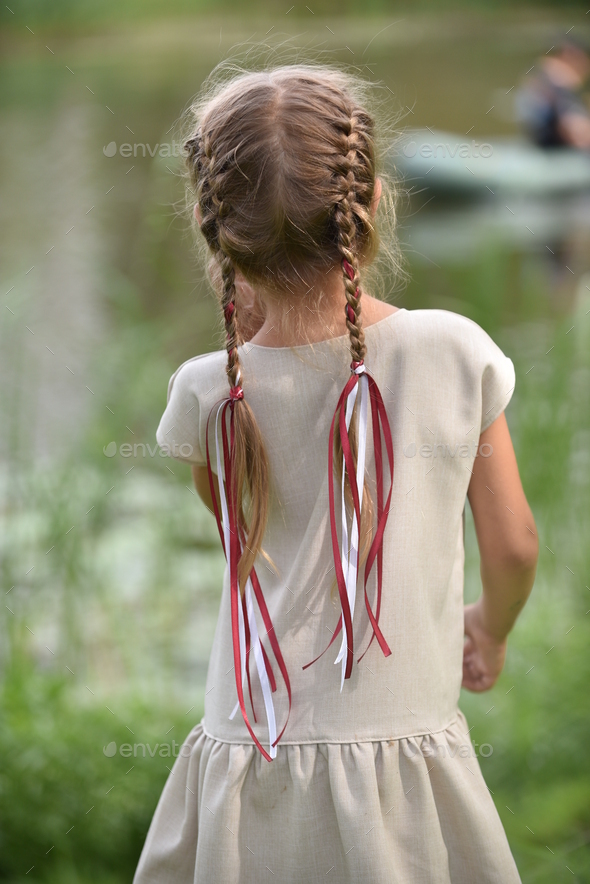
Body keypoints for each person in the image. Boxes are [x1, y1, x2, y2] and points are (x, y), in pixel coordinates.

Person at [133, 64, 538, 884]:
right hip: (401, 760)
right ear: (374, 200)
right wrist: (489, 627)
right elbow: (516, 548)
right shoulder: (451, 350)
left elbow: (242, 541)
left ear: (217, 231)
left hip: (252, 758)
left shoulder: (207, 389)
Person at [515, 37, 590, 149]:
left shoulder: (539, 74)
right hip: (553, 143)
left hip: (539, 139)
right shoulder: (557, 80)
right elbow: (572, 124)